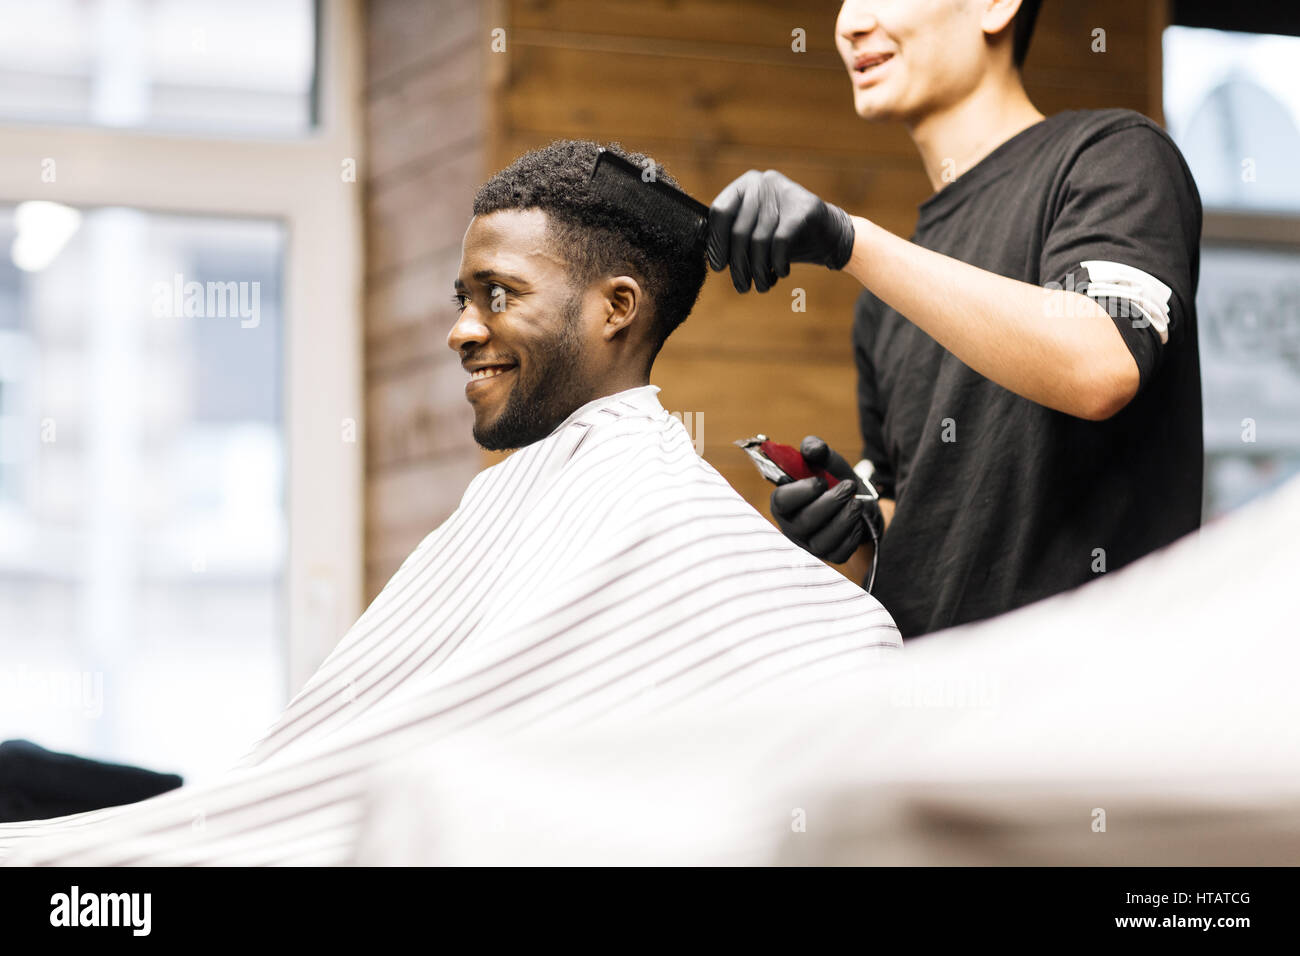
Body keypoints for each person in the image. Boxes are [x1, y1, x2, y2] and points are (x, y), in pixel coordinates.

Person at [0, 140, 898, 865]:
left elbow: (843, 655)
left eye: (496, 296)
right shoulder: (516, 497)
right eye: (463, 298)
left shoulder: (656, 509)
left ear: (616, 307)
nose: (461, 329)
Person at [705, 0, 1203, 638]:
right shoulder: (883, 296)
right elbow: (901, 516)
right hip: (925, 709)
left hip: (1081, 707)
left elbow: (1100, 361)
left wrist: (850, 243)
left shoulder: (1114, 156)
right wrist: (851, 527)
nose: (849, 23)